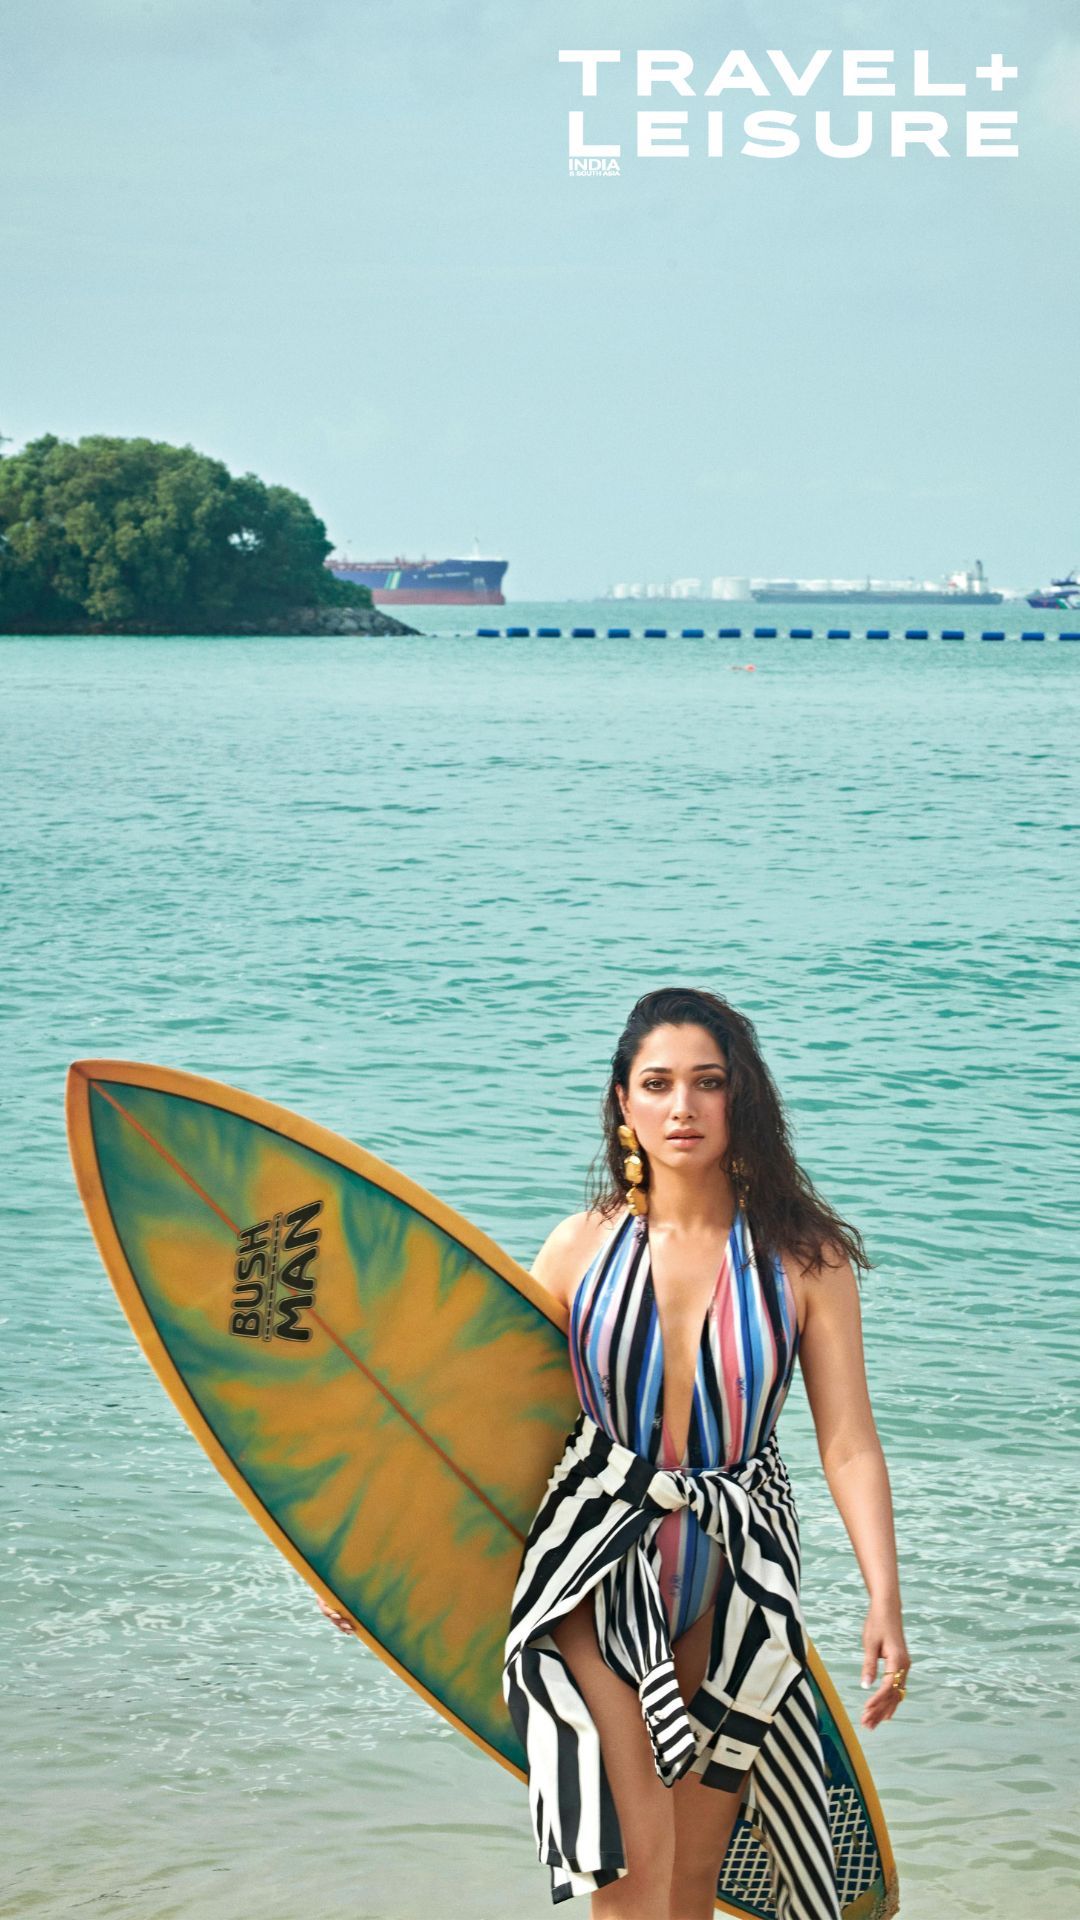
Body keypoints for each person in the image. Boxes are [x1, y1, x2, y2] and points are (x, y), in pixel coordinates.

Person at [501, 986, 910, 1919]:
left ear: (741, 1100)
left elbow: (847, 1438)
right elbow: (493, 1424)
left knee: (688, 1884)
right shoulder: (579, 1247)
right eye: (658, 1084)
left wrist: (884, 1596)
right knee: (632, 1875)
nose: (682, 1107)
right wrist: (367, 1561)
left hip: (737, 1582)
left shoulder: (804, 1259)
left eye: (707, 1083)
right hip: (599, 1572)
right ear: (623, 1103)